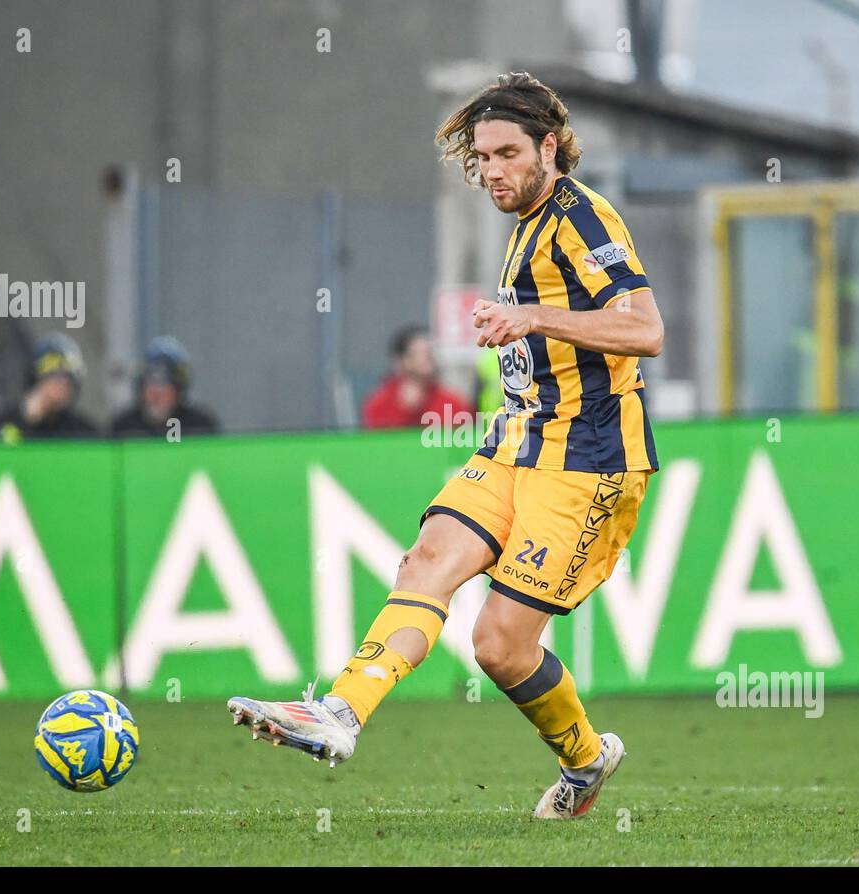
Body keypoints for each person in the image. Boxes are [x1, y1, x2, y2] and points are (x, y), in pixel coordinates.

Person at [227, 72, 664, 820]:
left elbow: (645, 330)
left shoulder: (583, 220)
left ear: (549, 147)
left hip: (589, 460)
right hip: (516, 441)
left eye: (505, 153)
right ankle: (340, 712)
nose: (491, 170)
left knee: (499, 646)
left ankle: (587, 759)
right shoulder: (525, 221)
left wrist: (535, 319)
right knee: (427, 558)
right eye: (481, 157)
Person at [360, 326, 474, 428]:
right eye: (418, 353)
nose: (427, 357)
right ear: (402, 360)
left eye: (429, 352)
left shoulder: (452, 404)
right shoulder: (379, 406)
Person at [0, 333, 99, 443]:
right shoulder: (8, 421)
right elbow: (0, 456)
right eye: (54, 378)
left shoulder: (84, 432)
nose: (62, 384)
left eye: (68, 381)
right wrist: (27, 420)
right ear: (36, 381)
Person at [109, 336, 219, 438]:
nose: (156, 396)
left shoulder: (199, 427)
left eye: (164, 388)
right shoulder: (123, 428)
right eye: (151, 387)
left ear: (178, 391)